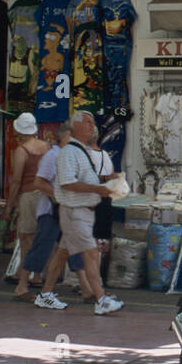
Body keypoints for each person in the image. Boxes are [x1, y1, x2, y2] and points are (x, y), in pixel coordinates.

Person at [34, 110, 124, 315]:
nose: (92, 126)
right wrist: (97, 189)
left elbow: (86, 179)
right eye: (87, 122)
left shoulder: (80, 151)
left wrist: (108, 180)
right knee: (91, 253)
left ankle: (45, 294)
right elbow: (67, 183)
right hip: (74, 211)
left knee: (62, 253)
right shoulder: (69, 152)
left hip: (82, 211)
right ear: (74, 126)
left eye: (93, 122)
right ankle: (101, 299)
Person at [14, 121, 91, 302]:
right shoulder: (52, 156)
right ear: (66, 136)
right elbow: (39, 182)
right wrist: (57, 196)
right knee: (41, 246)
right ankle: (22, 286)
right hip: (51, 210)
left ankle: (86, 288)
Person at [3, 112, 49, 285]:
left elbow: (16, 181)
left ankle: (23, 273)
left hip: (28, 195)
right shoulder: (45, 147)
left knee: (25, 236)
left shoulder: (22, 151)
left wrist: (9, 206)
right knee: (39, 235)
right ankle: (36, 274)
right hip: (44, 194)